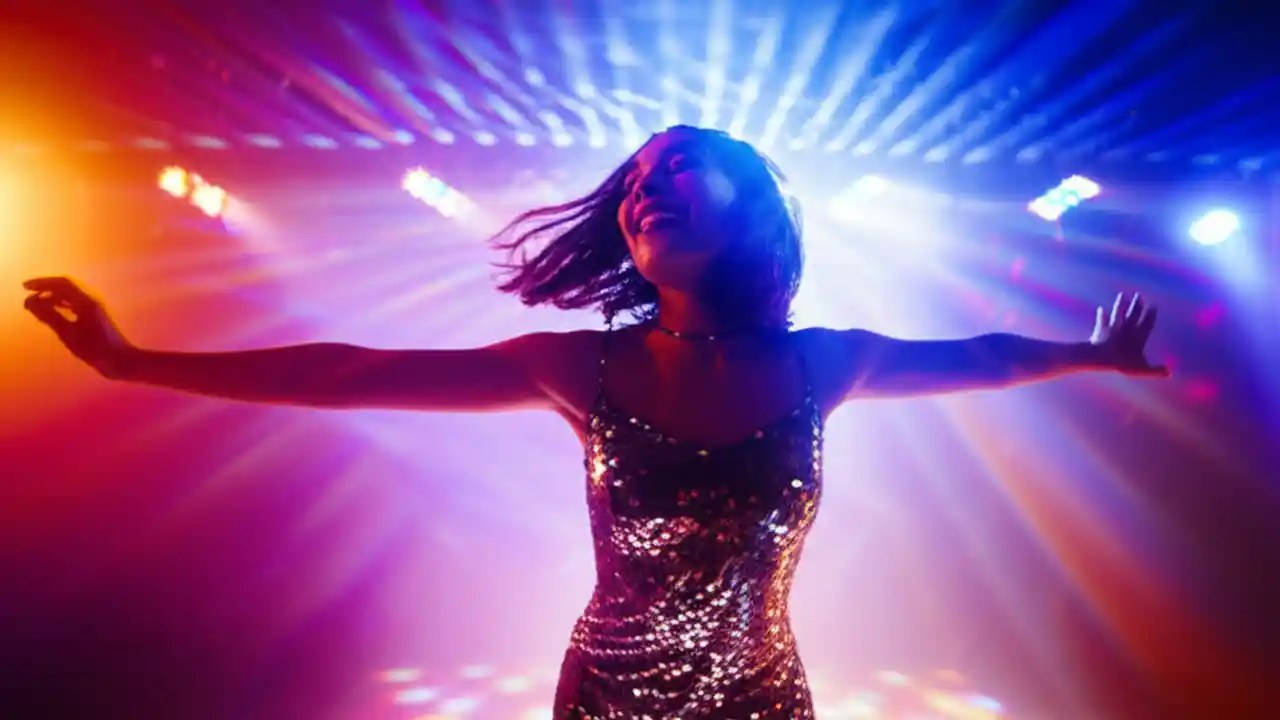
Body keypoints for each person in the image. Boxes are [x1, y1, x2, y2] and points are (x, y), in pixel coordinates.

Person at [22, 125, 1168, 719]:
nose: (643, 190)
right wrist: (133, 361)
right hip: (608, 699)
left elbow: (981, 357)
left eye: (679, 171)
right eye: (634, 183)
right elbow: (352, 372)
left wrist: (1084, 354)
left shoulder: (823, 363)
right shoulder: (583, 367)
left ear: (753, 207)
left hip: (760, 702)